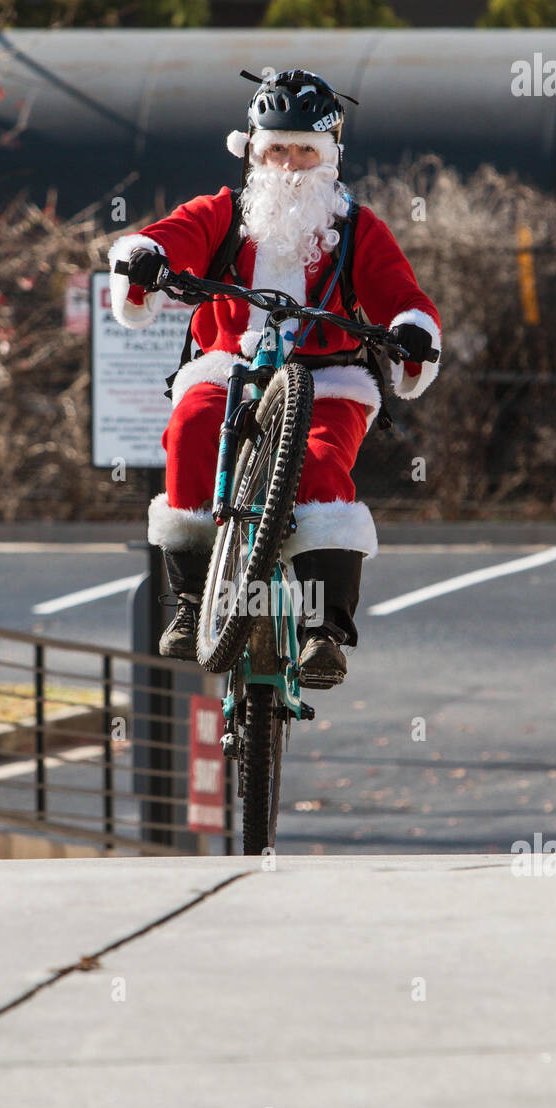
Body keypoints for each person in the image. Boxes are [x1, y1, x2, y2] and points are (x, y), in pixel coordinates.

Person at [109, 69, 441, 688]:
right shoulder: (226, 213)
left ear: (330, 157)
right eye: (276, 149)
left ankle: (325, 633)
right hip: (227, 369)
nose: (289, 165)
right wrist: (145, 258)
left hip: (332, 380)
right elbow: (171, 237)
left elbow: (401, 295)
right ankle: (190, 604)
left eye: (305, 151)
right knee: (191, 429)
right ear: (253, 152)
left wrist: (412, 330)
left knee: (319, 461)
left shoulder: (357, 228)